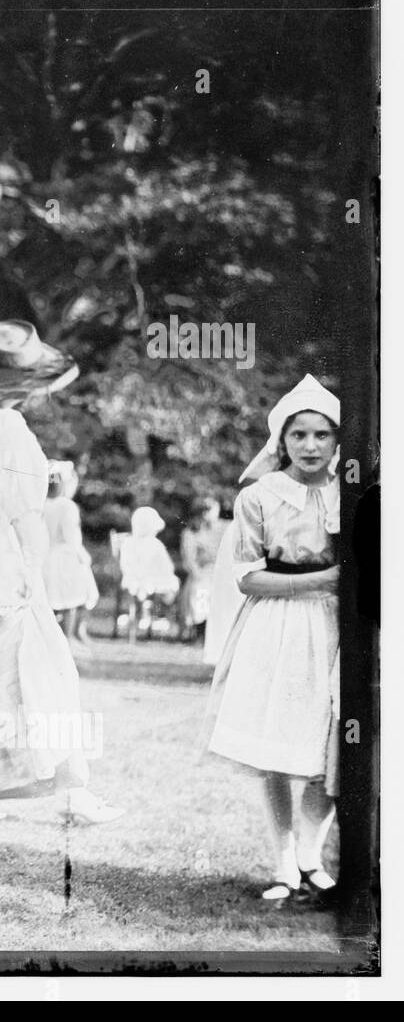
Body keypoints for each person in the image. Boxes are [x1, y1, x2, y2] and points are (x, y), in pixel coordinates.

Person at [0, 320, 122, 824]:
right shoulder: (8, 428)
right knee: (49, 673)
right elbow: (24, 514)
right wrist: (32, 571)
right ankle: (67, 792)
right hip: (0, 566)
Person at [205, 375, 341, 906]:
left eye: (322, 435)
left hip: (336, 627)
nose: (310, 446)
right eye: (299, 435)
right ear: (280, 441)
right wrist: (319, 581)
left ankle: (311, 854)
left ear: (336, 440)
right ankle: (284, 864)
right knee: (276, 749)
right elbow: (246, 575)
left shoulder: (348, 491)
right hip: (278, 623)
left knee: (331, 747)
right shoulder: (261, 496)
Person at [42, 460, 100, 643]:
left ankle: (55, 635)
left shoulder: (40, 504)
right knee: (71, 598)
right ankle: (68, 635)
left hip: (44, 556)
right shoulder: (67, 506)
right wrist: (82, 554)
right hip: (64, 556)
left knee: (51, 598)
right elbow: (71, 536)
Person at [117, 505, 180, 637]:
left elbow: (166, 566)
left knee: (167, 584)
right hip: (135, 578)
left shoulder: (154, 544)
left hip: (151, 577)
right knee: (151, 585)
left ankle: (154, 615)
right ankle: (149, 614)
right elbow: (126, 565)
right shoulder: (129, 544)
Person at [178, 497, 225, 643]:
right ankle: (201, 629)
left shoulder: (224, 528)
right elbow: (190, 560)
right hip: (202, 572)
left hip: (223, 572)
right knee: (201, 588)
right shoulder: (191, 532)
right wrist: (199, 573)